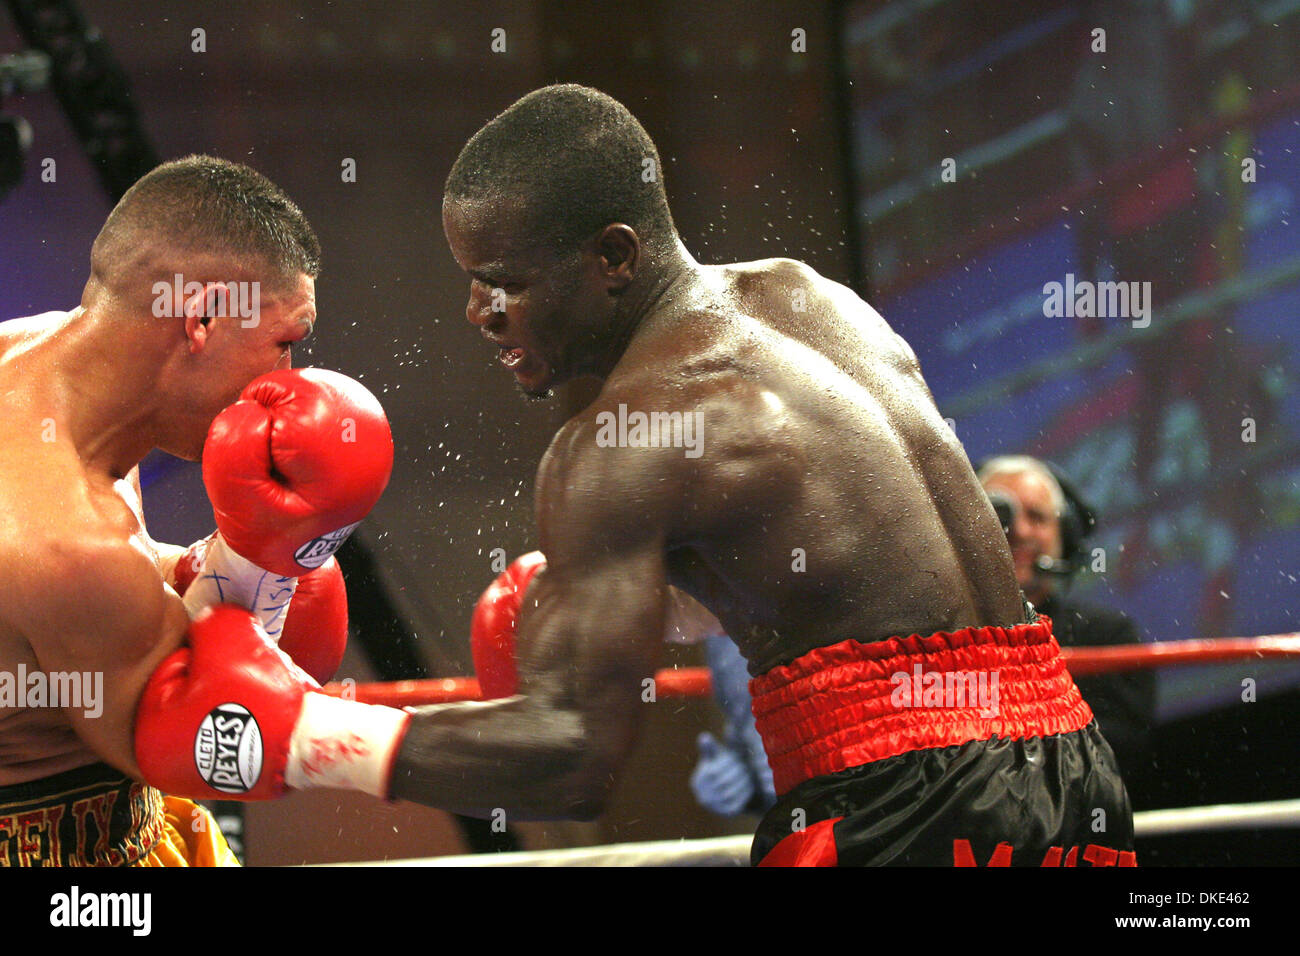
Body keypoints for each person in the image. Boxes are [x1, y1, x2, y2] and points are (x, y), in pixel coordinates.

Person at [139, 86, 1134, 867]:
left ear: (614, 255)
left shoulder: (617, 444)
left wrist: (300, 729)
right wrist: (682, 599)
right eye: (469, 279)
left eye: (507, 281)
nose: (479, 312)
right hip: (1072, 773)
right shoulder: (811, 297)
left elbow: (574, 760)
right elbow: (849, 550)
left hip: (898, 809)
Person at [0, 155, 389, 865]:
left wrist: (209, 566)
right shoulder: (62, 537)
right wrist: (401, 753)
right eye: (284, 344)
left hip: (133, 822)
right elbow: (196, 739)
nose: (288, 380)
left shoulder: (51, 370)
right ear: (203, 316)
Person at [977, 455, 1155, 795]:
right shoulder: (930, 642)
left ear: (1065, 536)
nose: (1020, 531)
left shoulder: (1106, 636)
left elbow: (1111, 757)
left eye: (1037, 516)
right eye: (1000, 515)